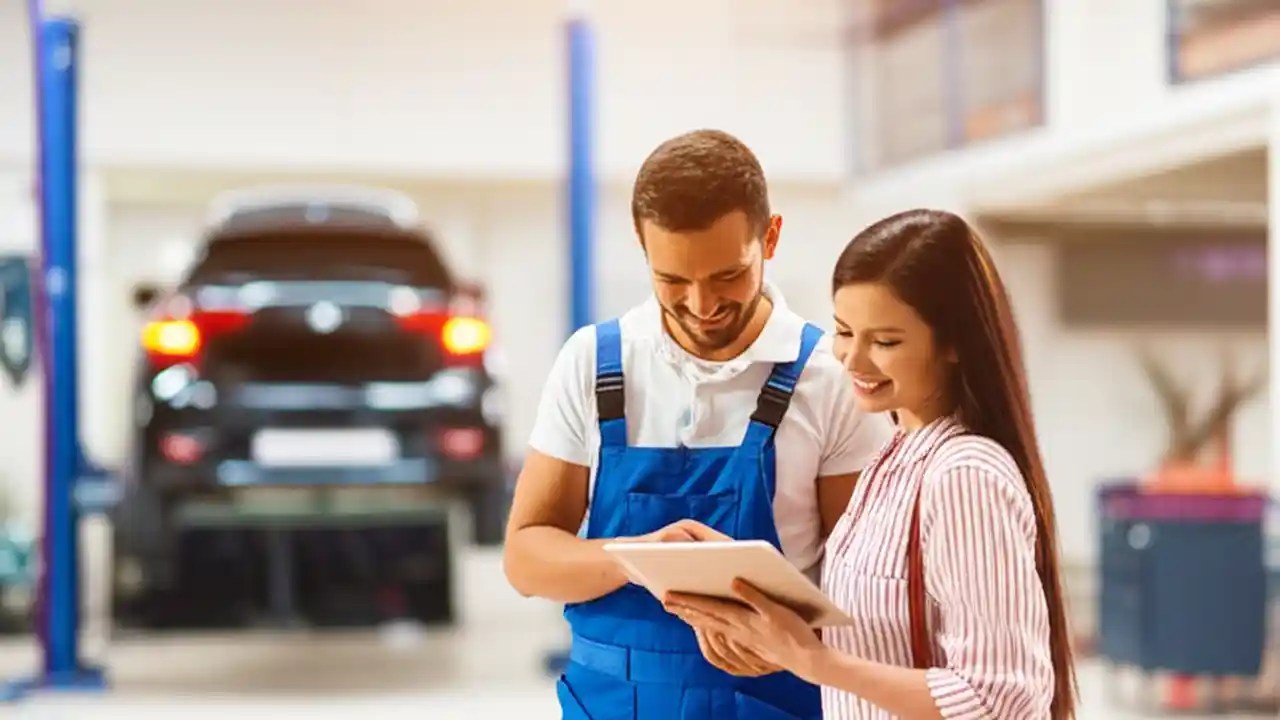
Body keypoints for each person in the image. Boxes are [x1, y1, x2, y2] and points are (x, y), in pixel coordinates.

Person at [502, 129, 895, 719]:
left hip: (776, 703)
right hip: (609, 704)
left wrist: (798, 646)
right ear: (642, 245)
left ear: (771, 236)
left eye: (727, 276)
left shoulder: (829, 378)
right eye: (673, 281)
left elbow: (869, 587)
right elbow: (526, 558)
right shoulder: (594, 364)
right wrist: (635, 557)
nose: (701, 305)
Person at [665, 209, 1078, 719]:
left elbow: (998, 700)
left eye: (884, 342)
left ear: (953, 342)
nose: (852, 360)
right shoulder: (894, 455)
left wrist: (812, 660)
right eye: (843, 332)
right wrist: (762, 611)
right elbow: (887, 642)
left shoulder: (964, 475)